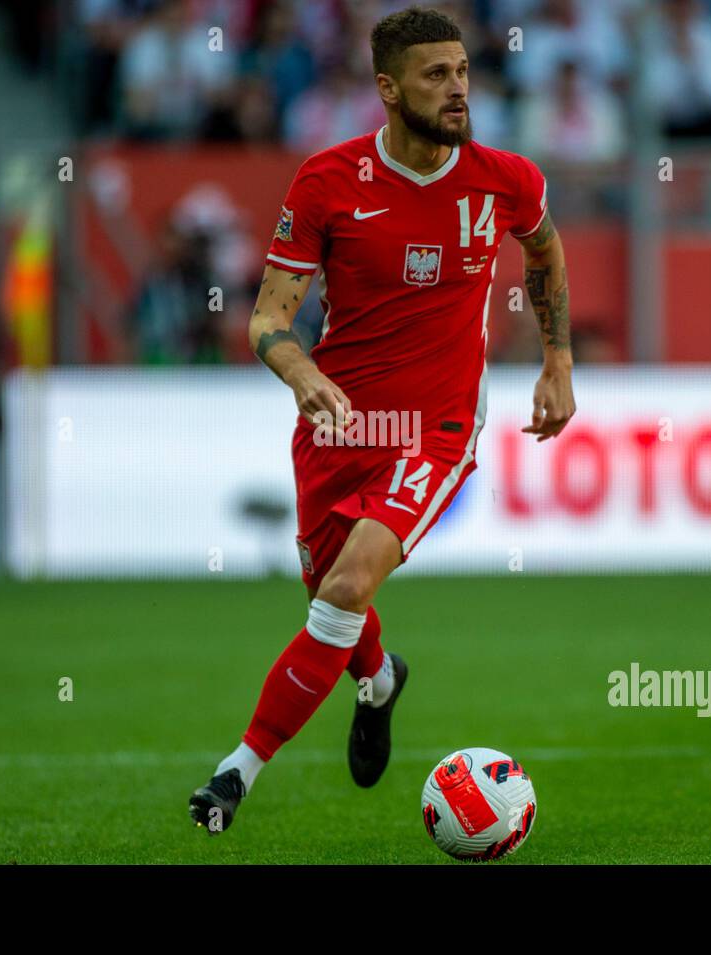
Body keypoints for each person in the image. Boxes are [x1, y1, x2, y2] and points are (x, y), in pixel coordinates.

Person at [188, 6, 575, 833]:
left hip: (435, 428)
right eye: (437, 75)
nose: (458, 89)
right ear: (388, 89)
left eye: (464, 72)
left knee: (345, 586)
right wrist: (301, 373)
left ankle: (236, 771)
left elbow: (544, 251)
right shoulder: (326, 183)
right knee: (330, 598)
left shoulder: (507, 180)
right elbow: (267, 320)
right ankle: (379, 680)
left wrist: (557, 360)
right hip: (335, 428)